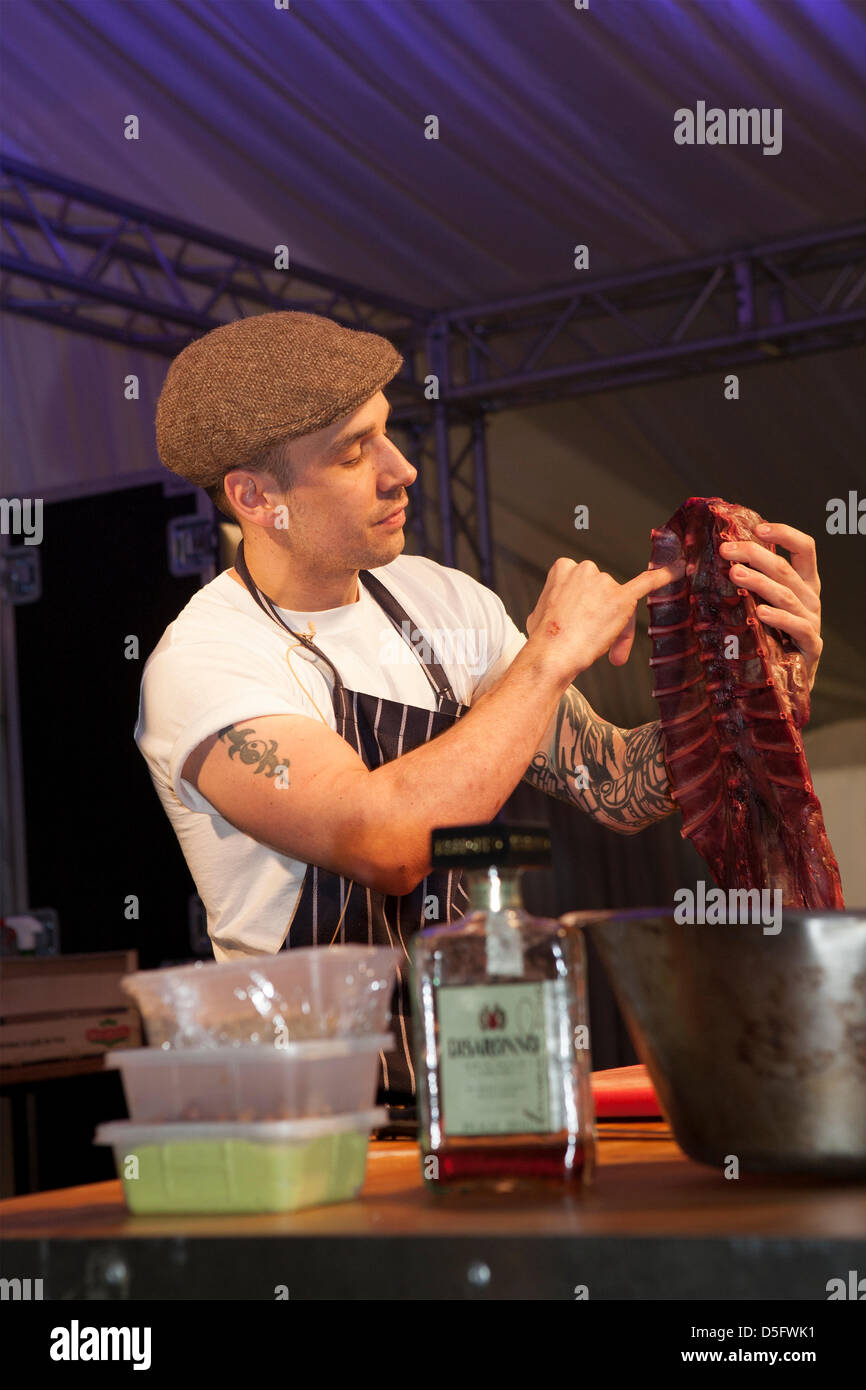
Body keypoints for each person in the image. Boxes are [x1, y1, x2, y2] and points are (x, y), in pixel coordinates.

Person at [135, 310, 824, 1104]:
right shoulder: (207, 662)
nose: (402, 470)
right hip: (309, 1112)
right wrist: (549, 658)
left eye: (387, 433)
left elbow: (618, 787)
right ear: (257, 498)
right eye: (354, 452)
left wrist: (763, 680)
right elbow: (385, 842)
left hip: (462, 1078)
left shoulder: (438, 600)